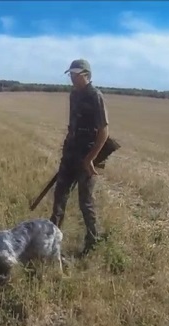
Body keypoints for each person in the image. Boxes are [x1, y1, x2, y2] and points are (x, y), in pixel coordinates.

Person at [48, 58, 110, 257]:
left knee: (86, 202)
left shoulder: (95, 96)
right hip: (70, 153)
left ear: (87, 75)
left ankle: (92, 242)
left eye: (76, 75)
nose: (73, 78)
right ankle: (50, 240)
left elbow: (104, 133)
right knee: (59, 197)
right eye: (71, 75)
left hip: (87, 155)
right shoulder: (73, 95)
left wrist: (90, 159)